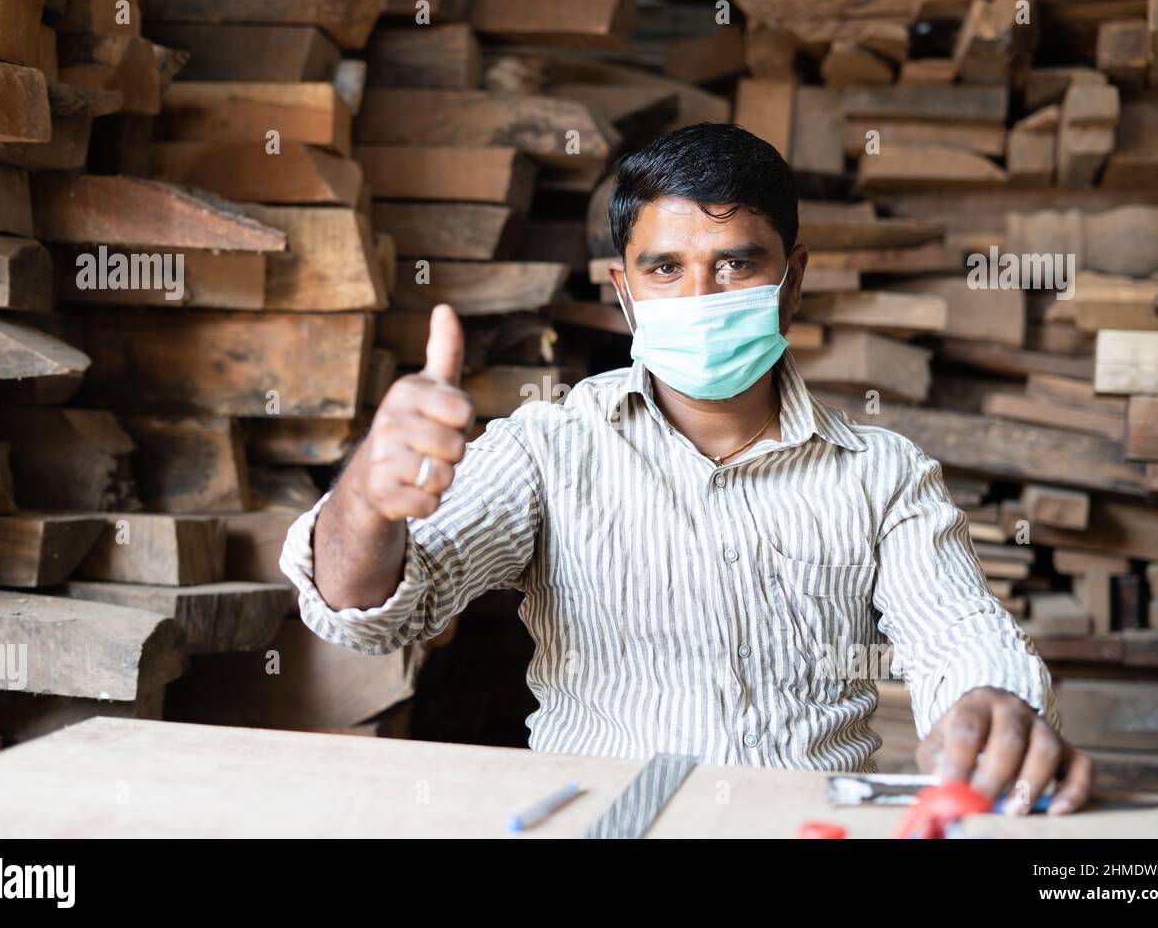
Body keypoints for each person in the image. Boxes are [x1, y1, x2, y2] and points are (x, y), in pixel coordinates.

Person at [280, 123, 1092, 815]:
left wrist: (992, 708)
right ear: (623, 292)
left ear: (793, 281)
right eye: (666, 268)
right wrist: (369, 497)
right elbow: (368, 612)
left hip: (805, 830)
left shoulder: (881, 475)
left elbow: (959, 637)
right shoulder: (548, 448)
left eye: (736, 265)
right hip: (600, 826)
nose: (701, 295)